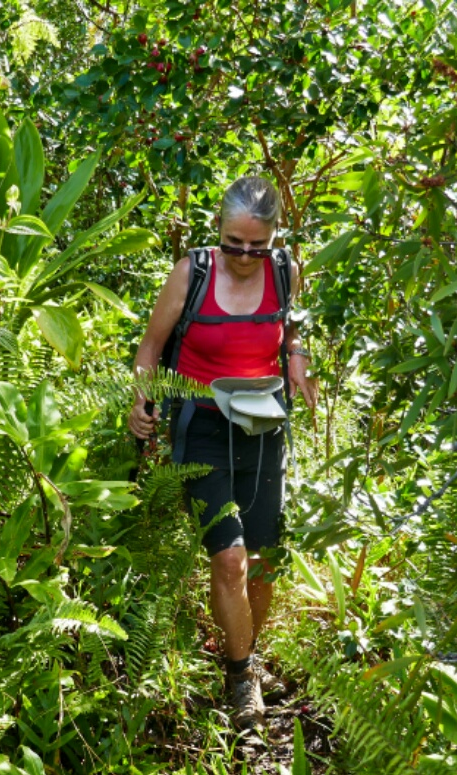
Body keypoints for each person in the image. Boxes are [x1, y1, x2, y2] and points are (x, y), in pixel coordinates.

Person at [128, 176, 318, 730]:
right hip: (203, 425)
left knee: (264, 559)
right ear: (218, 230)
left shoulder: (285, 271)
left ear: (274, 238)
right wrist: (142, 400)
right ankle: (241, 679)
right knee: (229, 557)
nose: (244, 256)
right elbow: (152, 345)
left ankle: (245, 652)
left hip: (263, 423)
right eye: (234, 243)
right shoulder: (192, 273)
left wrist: (298, 356)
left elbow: (293, 329)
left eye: (257, 246)